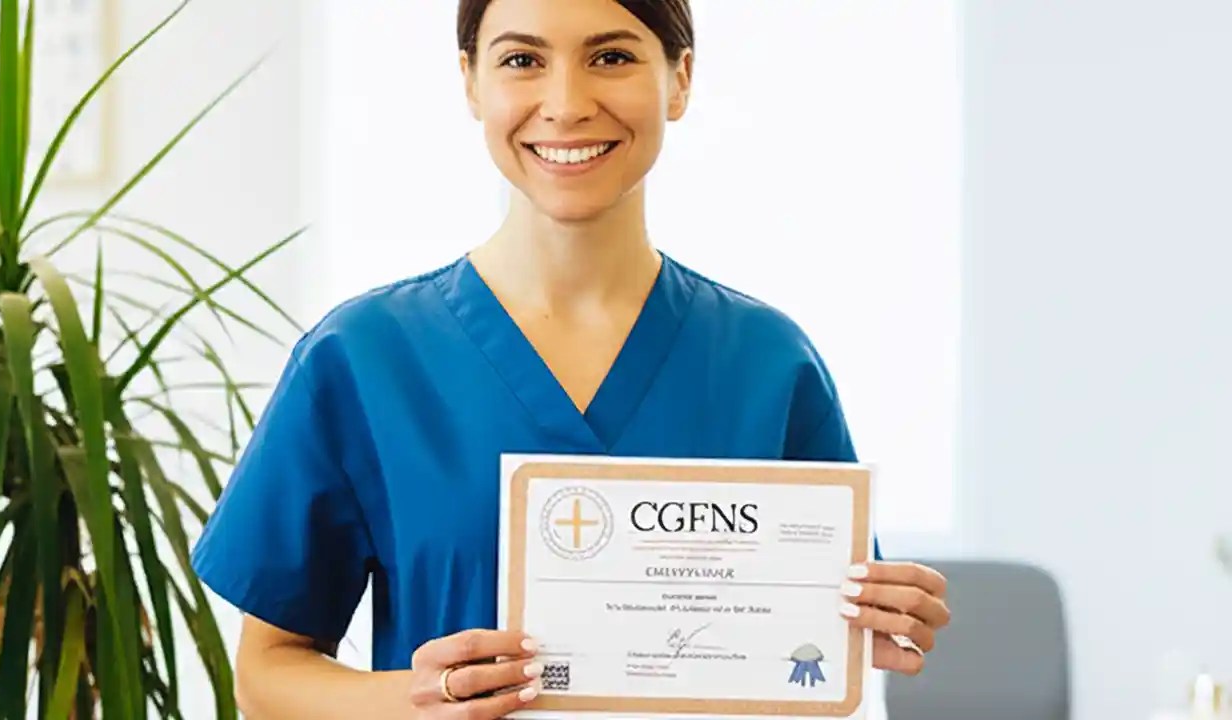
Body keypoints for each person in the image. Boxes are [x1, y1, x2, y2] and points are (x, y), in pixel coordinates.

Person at [189, 0, 952, 717]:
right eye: (522, 60)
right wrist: (413, 702)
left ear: (679, 78)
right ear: (470, 83)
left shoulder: (769, 363)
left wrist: (878, 622)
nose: (566, 102)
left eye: (612, 56)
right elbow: (266, 672)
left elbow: (815, 636)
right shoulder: (361, 358)